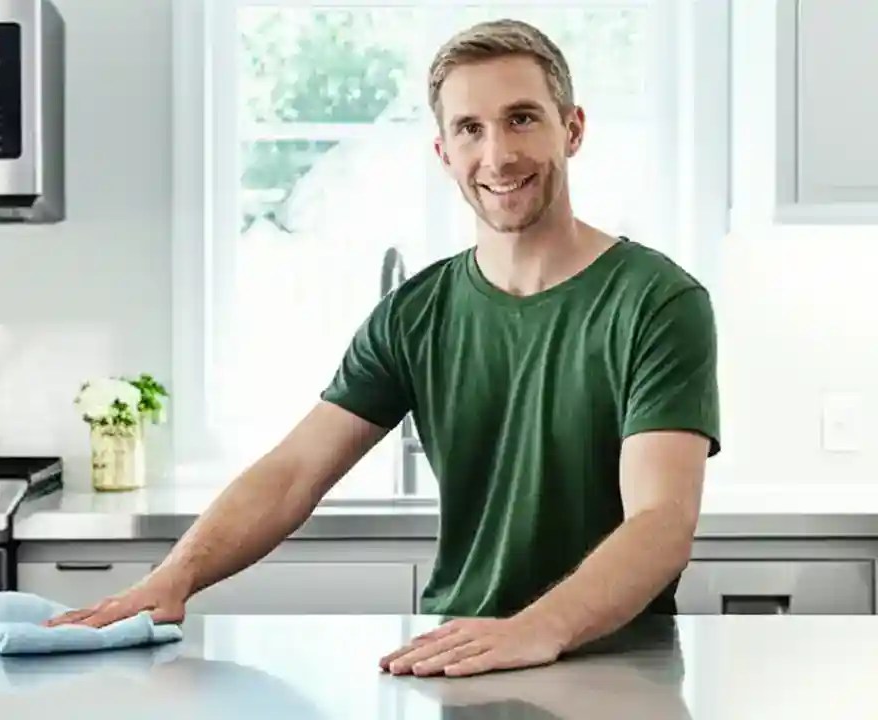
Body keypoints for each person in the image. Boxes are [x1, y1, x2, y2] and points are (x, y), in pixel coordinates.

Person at [45, 18, 720, 679]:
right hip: (457, 660)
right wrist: (172, 580)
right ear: (443, 152)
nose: (497, 155)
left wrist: (536, 628)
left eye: (521, 119)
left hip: (614, 667)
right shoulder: (415, 314)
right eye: (470, 129)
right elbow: (293, 473)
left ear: (571, 129)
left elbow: (661, 521)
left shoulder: (655, 303)